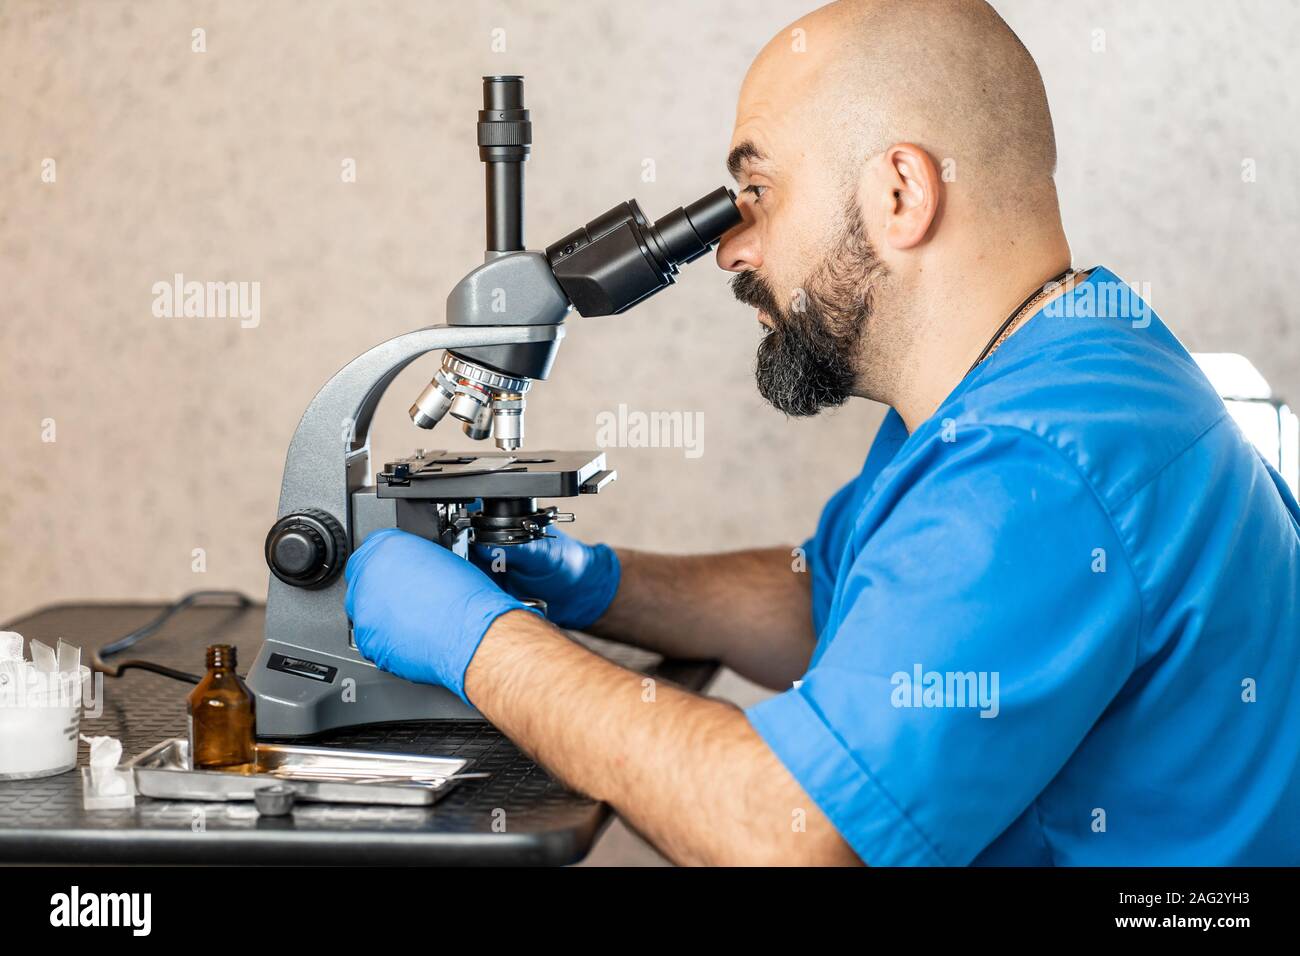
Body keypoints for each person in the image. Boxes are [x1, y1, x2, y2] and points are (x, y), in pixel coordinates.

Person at [344, 0, 1300, 865]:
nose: (728, 247)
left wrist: (481, 643)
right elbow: (832, 606)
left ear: (899, 194)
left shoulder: (1033, 469)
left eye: (754, 194)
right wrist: (599, 585)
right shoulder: (1058, 370)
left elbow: (790, 835)